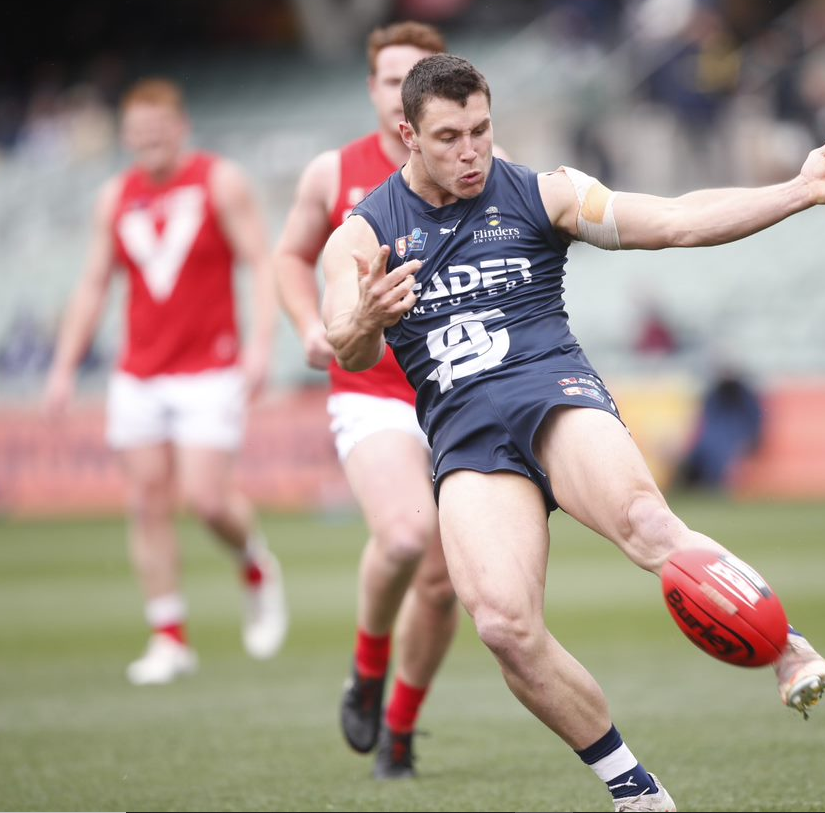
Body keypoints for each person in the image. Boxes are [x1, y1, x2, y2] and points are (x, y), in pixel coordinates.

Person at [320, 54, 825, 811]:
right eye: (450, 136)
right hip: (465, 437)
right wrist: (366, 315)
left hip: (551, 395)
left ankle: (785, 647)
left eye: (482, 130)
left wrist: (798, 190)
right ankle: (635, 790)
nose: (471, 151)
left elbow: (677, 221)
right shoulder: (362, 235)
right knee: (500, 625)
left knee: (645, 521)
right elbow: (344, 343)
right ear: (407, 135)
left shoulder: (539, 192)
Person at [274, 22, 501, 779]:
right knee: (405, 536)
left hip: (459, 393)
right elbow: (289, 253)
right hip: (371, 391)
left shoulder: (481, 169)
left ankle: (399, 727)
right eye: (383, 77)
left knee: (442, 584)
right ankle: (367, 667)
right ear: (376, 92)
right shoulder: (332, 174)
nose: (394, 91)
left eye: (411, 75)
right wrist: (313, 323)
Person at [43, 78, 288, 686]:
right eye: (137, 135)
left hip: (210, 366)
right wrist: (63, 366)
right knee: (146, 501)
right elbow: (94, 283)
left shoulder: (219, 181)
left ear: (180, 128)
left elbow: (261, 262)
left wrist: (261, 346)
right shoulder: (115, 196)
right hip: (139, 372)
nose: (148, 144)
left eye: (158, 131)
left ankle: (254, 563)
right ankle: (169, 635)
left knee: (206, 499)